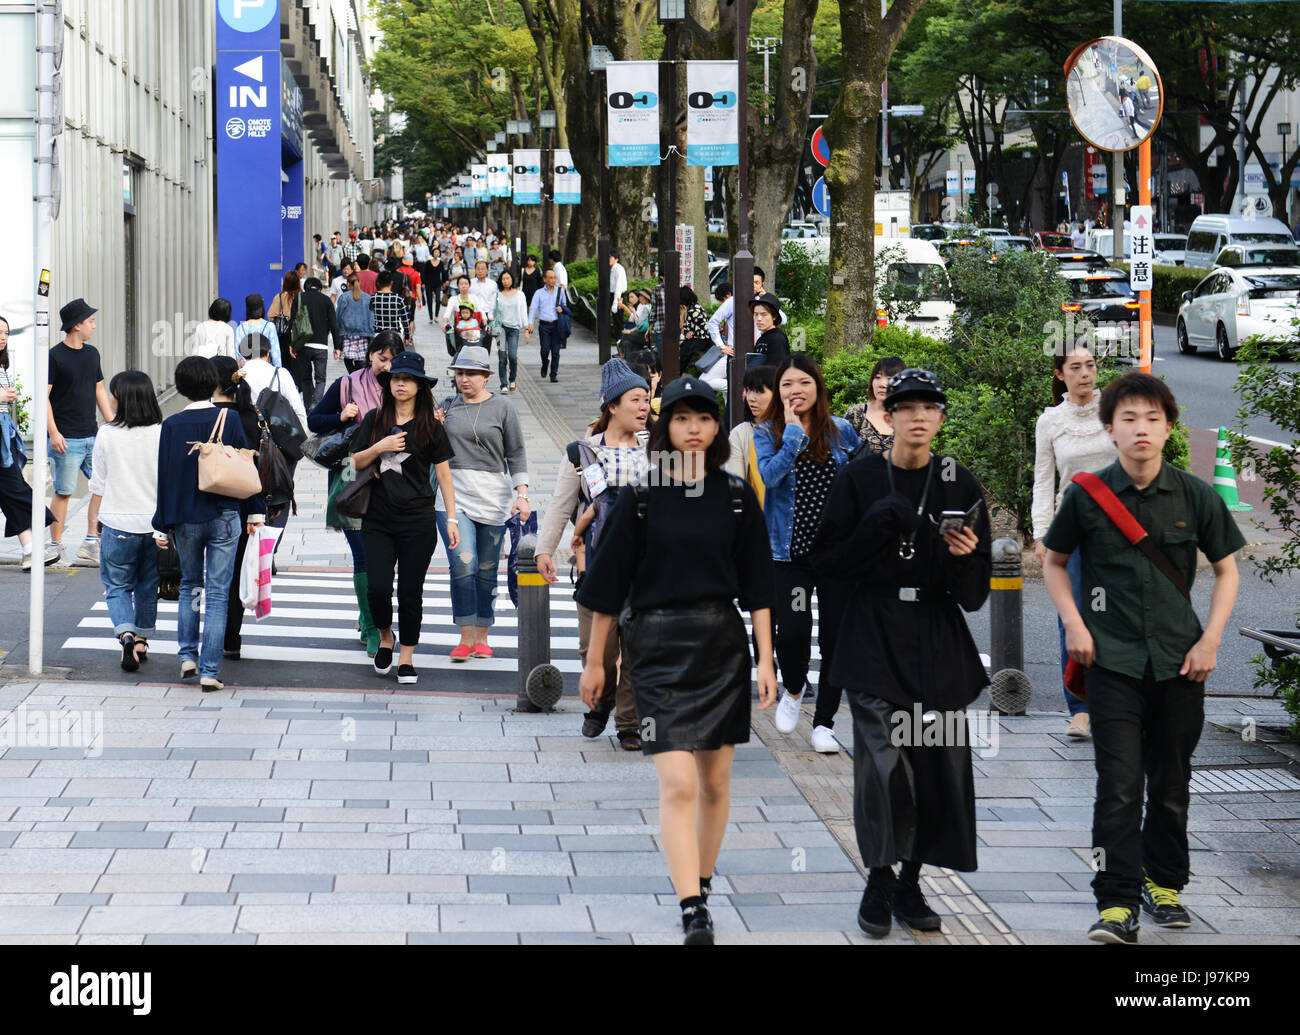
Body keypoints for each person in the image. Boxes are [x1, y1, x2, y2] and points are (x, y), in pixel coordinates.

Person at [1043, 373, 1244, 945]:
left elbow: (1227, 568)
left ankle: (1165, 885)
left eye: (1152, 419)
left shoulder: (1195, 495)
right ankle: (1115, 903)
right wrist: (1075, 624)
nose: (1140, 429)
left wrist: (1211, 640)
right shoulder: (1087, 494)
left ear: (1168, 428)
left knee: (1173, 782)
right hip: (1113, 665)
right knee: (1119, 785)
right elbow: (1055, 563)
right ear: (1109, 428)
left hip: (1182, 665)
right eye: (1128, 419)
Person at [576, 376, 778, 945]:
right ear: (665, 427)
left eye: (705, 418)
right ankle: (692, 907)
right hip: (657, 649)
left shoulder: (737, 497)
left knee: (715, 781)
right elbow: (606, 589)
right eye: (683, 418)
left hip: (721, 646)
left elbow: (760, 587)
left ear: (717, 428)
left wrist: (766, 661)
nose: (694, 428)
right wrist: (597, 664)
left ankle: (703, 881)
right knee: (680, 782)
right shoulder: (641, 498)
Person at [808, 368, 991, 938]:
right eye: (906, 405)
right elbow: (824, 563)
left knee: (936, 769)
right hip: (873, 634)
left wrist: (962, 557)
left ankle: (910, 883)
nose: (917, 416)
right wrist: (871, 531)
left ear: (940, 417)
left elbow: (975, 595)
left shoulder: (962, 484)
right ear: (889, 414)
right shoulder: (860, 476)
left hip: (937, 637)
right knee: (884, 765)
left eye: (929, 407)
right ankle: (880, 878)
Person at [537, 359, 652, 745]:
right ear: (612, 406)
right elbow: (559, 503)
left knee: (635, 648)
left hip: (644, 565)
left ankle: (628, 723)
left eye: (647, 400)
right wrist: (544, 549)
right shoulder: (582, 452)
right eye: (635, 399)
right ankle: (599, 703)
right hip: (597, 564)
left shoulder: (656, 450)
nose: (643, 408)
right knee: (596, 651)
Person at [754, 356, 860, 753]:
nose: (794, 390)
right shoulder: (767, 432)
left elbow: (859, 486)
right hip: (789, 552)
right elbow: (770, 476)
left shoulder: (843, 432)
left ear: (817, 387)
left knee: (835, 639)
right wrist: (794, 436)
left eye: (803, 383)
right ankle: (795, 689)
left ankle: (825, 724)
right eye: (786, 384)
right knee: (794, 631)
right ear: (778, 391)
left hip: (836, 555)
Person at [153, 356, 264, 692]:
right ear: (212, 384)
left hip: (185, 517)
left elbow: (166, 476)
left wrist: (161, 523)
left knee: (189, 583)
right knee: (217, 593)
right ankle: (210, 671)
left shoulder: (171, 425)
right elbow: (246, 462)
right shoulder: (227, 418)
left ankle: (187, 655)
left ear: (182, 387)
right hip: (224, 514)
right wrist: (256, 511)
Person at [349, 351, 459, 686]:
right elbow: (354, 462)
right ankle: (385, 636)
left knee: (411, 591)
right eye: (396, 378)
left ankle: (407, 656)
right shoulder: (375, 420)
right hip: (378, 520)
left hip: (418, 521)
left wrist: (452, 519)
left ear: (420, 387)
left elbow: (444, 476)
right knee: (378, 588)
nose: (400, 383)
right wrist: (380, 446)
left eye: (408, 379)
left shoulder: (431, 428)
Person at [1032, 343, 1115, 739]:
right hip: (1073, 530)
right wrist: (1041, 534)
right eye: (1075, 367)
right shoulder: (1050, 421)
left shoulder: (1116, 411)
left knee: (1122, 616)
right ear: (1060, 374)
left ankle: (1121, 703)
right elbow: (1044, 481)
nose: (1085, 373)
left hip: (1120, 529)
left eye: (1091, 365)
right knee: (1075, 618)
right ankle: (1080, 708)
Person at [435, 346, 530, 662]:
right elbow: (429, 449)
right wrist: (434, 425)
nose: (464, 379)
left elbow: (515, 453)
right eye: (460, 373)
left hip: (494, 499)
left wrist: (522, 494)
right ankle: (464, 636)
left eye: (471, 373)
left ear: (486, 376)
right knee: (464, 565)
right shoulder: (446, 407)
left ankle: (482, 635)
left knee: (487, 570)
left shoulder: (503, 407)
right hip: (453, 499)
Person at [309, 332, 401, 657]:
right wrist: (340, 416)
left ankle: (368, 617)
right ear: (370, 355)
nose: (386, 366)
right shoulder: (346, 385)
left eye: (392, 359)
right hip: (351, 477)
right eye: (382, 358)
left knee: (385, 560)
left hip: (390, 480)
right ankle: (376, 629)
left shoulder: (402, 388)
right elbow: (314, 421)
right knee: (364, 555)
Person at [89, 370, 163, 671]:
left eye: (113, 393)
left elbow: (98, 484)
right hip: (154, 524)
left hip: (117, 522)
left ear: (122, 399)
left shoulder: (107, 433)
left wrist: (93, 520)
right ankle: (143, 640)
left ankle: (126, 634)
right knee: (148, 584)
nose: (110, 397)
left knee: (117, 586)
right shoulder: (162, 432)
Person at [210, 357, 281, 662]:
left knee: (210, 577)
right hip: (240, 503)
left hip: (207, 502)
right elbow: (254, 465)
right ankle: (231, 639)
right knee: (236, 570)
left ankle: (208, 640)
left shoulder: (206, 415)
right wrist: (256, 512)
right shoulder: (249, 416)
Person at [48, 298, 115, 565]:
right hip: (65, 436)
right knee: (63, 492)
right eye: (90, 321)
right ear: (77, 325)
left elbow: (99, 389)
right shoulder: (54, 356)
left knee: (104, 487)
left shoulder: (92, 354)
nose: (94, 326)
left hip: (93, 434)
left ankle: (90, 540)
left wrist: (111, 423)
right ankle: (54, 545)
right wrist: (53, 432)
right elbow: (45, 397)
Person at [0, 316, 58, 570]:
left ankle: (29, 551)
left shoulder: (3, 365)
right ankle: (44, 518)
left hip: (5, 433)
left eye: (5, 332)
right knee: (14, 487)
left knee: (9, 491)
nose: (3, 337)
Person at [725, 362, 775, 506]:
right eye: (748, 390)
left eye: (759, 391)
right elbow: (736, 485)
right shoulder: (740, 433)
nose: (751, 398)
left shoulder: (793, 432)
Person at [289, 277, 340, 408]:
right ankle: (315, 404)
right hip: (321, 345)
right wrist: (337, 346)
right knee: (321, 380)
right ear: (319, 288)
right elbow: (334, 324)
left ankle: (308, 407)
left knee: (306, 379)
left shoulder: (299, 298)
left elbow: (292, 322)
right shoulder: (326, 300)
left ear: (306, 286)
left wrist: (291, 344)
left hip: (303, 344)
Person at [707, 267, 780, 351]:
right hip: (736, 352)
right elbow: (712, 322)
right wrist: (721, 346)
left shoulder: (764, 301)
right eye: (750, 282)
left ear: (762, 284)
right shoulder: (732, 301)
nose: (753, 285)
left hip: (759, 350)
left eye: (756, 282)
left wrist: (766, 297)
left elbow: (783, 320)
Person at [844, 356, 906, 451]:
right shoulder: (856, 413)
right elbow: (841, 454)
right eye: (878, 377)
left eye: (890, 379)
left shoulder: (909, 417)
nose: (882, 384)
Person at [527, 268, 567, 384]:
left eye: (555, 278)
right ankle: (545, 363)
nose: (553, 280)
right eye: (550, 278)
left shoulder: (560, 291)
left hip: (556, 325)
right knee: (544, 350)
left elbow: (565, 307)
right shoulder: (539, 293)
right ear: (545, 279)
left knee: (555, 351)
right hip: (544, 325)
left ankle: (553, 374)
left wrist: (562, 309)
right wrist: (530, 322)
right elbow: (533, 308)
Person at [492, 270, 528, 393]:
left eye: (508, 278)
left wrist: (527, 328)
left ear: (512, 279)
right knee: (502, 357)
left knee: (512, 356)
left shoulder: (519, 294)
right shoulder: (498, 295)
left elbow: (523, 311)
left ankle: (512, 379)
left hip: (514, 329)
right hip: (501, 329)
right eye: (503, 279)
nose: (505, 281)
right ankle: (504, 384)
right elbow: (493, 312)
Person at [336, 272, 376, 373]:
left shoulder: (344, 297)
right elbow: (372, 318)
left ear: (348, 284)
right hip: (364, 335)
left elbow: (338, 317)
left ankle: (352, 376)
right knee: (362, 363)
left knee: (348, 359)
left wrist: (337, 335)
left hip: (347, 334)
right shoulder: (368, 298)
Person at [234, 294, 282, 369]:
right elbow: (275, 353)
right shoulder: (269, 326)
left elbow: (238, 353)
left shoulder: (241, 328)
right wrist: (278, 370)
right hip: (265, 368)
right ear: (262, 308)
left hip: (247, 370)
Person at [749, 293, 790, 369]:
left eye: (764, 314)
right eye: (756, 314)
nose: (759, 319)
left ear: (774, 316)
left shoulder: (777, 339)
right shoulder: (761, 339)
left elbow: (776, 370)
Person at [370, 271, 411, 345]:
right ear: (391, 283)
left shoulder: (373, 298)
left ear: (378, 283)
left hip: (378, 335)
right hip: (395, 335)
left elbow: (369, 317)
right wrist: (407, 336)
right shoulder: (398, 299)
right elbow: (405, 319)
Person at [679, 286, 710, 366]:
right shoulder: (697, 307)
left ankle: (675, 373)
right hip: (702, 339)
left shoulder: (692, 311)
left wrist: (682, 314)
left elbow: (683, 330)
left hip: (699, 341)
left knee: (681, 356)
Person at [268, 272, 300, 342]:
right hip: (299, 334)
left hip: (284, 335)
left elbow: (270, 316)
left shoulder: (280, 297)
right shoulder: (302, 296)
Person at [468, 260, 499, 325]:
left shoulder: (493, 284)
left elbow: (495, 301)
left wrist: (493, 315)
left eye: (482, 269)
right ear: (475, 270)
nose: (480, 271)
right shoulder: (470, 283)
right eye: (478, 269)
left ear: (488, 270)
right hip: (474, 314)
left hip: (488, 314)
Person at [608, 252, 627, 319]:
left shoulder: (618, 269)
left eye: (610, 257)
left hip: (619, 296)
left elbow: (618, 288)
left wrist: (615, 303)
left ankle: (620, 330)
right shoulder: (612, 268)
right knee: (615, 318)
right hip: (613, 295)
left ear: (616, 259)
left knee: (618, 318)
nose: (608, 259)